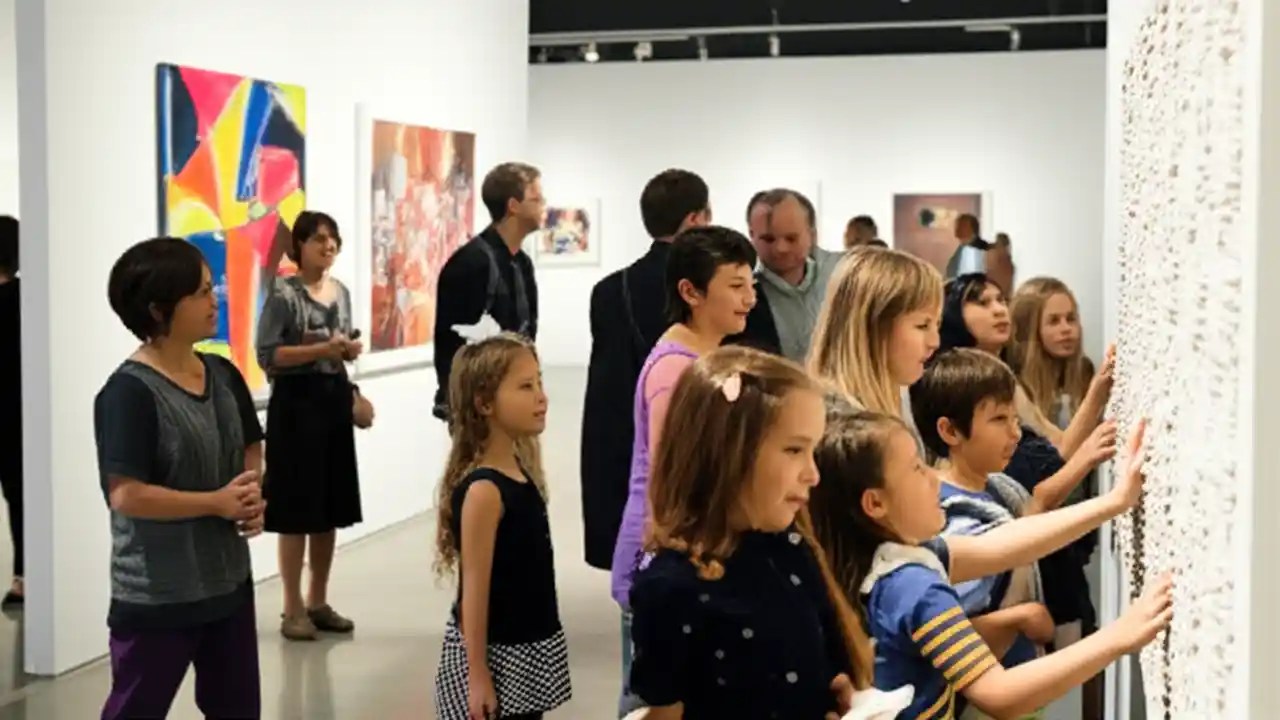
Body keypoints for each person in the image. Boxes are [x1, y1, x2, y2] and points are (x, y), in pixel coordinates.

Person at [805, 408, 1173, 720]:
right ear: (875, 504)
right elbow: (1000, 694)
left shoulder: (896, 559)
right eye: (916, 469)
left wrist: (1116, 502)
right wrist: (1122, 634)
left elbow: (1007, 544)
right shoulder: (912, 588)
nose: (933, 478)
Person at [626, 346, 868, 719]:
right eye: (793, 450)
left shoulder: (791, 550)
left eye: (813, 451)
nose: (813, 474)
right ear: (727, 453)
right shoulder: (671, 588)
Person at [95, 237, 266, 719]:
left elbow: (250, 444)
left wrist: (251, 492)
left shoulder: (223, 373)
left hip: (227, 584)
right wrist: (216, 503)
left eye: (212, 288)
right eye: (200, 293)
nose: (215, 300)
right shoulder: (128, 393)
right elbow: (126, 494)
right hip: (158, 594)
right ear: (157, 309)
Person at [610, 226, 757, 717]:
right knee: (652, 701)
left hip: (688, 554)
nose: (749, 298)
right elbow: (672, 480)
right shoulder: (677, 370)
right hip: (666, 559)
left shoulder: (706, 356)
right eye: (735, 286)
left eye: (750, 284)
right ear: (691, 292)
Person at [432, 333, 571, 720]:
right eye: (526, 387)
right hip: (497, 660)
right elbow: (474, 589)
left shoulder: (520, 475)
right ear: (485, 402)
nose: (541, 397)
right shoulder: (484, 491)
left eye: (539, 382)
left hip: (524, 650)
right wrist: (477, 675)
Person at [580, 169, 711, 572]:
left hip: (635, 479)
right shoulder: (720, 290)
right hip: (706, 470)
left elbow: (606, 408)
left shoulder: (611, 292)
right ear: (696, 218)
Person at [256, 210, 367, 642]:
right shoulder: (283, 294)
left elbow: (340, 350)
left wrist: (347, 363)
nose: (329, 246)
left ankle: (318, 600)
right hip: (295, 408)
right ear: (298, 247)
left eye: (333, 239)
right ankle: (291, 607)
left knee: (327, 511)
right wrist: (325, 347)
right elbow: (269, 355)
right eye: (319, 238)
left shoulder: (340, 292)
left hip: (332, 402)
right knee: (294, 512)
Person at [433, 162, 543, 421]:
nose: (543, 206)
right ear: (513, 205)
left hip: (514, 401)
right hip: (481, 409)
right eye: (536, 199)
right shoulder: (472, 263)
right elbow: (454, 346)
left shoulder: (522, 264)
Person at [807, 247, 942, 423]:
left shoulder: (899, 399)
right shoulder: (839, 424)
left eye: (937, 325)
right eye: (922, 325)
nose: (935, 342)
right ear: (872, 328)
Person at [734, 188, 842, 362]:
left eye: (791, 238)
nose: (780, 248)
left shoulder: (844, 278)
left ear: (812, 235)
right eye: (768, 239)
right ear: (751, 236)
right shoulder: (743, 297)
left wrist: (903, 390)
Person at [0, 215, 21, 606]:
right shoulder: (25, 297)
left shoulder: (21, 297)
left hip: (13, 413)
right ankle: (23, 576)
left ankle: (24, 576)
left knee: (20, 494)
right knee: (20, 495)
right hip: (16, 412)